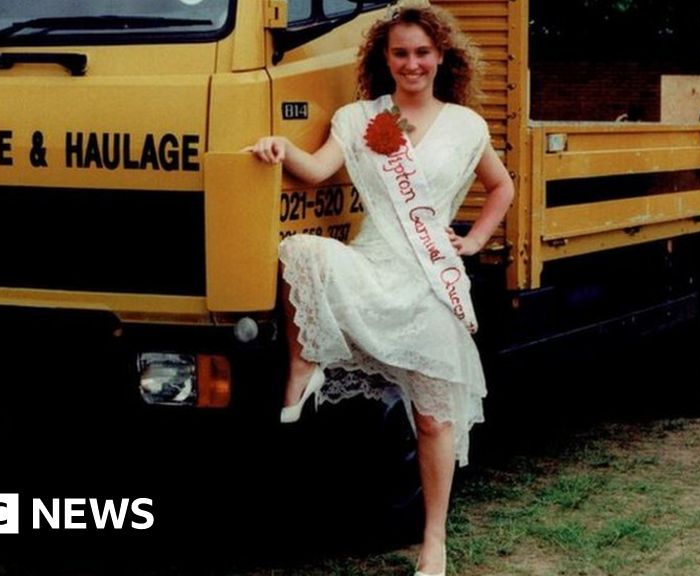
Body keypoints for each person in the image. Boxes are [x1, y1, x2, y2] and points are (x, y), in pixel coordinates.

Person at [246, 2, 514, 574]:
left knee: (434, 417)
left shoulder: (466, 125)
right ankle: (305, 362)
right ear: (384, 58)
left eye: (422, 52)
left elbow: (502, 188)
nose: (412, 63)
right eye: (400, 53)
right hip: (373, 265)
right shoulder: (358, 117)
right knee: (302, 252)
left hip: (429, 278)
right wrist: (278, 147)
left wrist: (472, 242)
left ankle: (434, 540)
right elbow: (316, 170)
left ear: (441, 55)